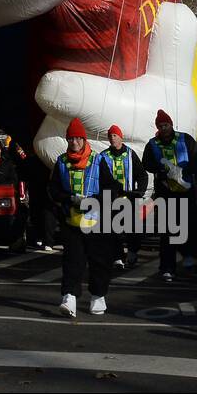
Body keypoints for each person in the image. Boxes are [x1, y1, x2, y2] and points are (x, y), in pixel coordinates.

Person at [49, 118, 120, 317]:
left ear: (84, 139)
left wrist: (93, 201)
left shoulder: (98, 160)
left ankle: (98, 296)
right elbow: (53, 189)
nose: (74, 143)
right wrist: (69, 198)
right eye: (71, 139)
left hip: (98, 223)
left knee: (99, 262)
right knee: (73, 261)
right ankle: (69, 297)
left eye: (78, 139)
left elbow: (111, 188)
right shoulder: (61, 162)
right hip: (72, 223)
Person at [142, 110, 197, 281]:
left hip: (186, 191)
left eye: (166, 125)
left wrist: (186, 171)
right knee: (167, 231)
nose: (164, 128)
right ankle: (167, 267)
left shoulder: (185, 139)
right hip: (165, 192)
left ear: (171, 124)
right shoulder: (152, 144)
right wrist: (161, 171)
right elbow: (147, 163)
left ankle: (195, 259)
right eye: (161, 126)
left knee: (190, 228)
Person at [96, 124, 147, 269]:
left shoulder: (131, 154)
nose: (112, 139)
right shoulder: (103, 156)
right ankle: (117, 257)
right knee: (113, 230)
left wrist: (140, 192)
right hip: (111, 200)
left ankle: (132, 252)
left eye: (115, 136)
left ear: (120, 137)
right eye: (110, 136)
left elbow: (142, 175)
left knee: (133, 230)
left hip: (130, 199)